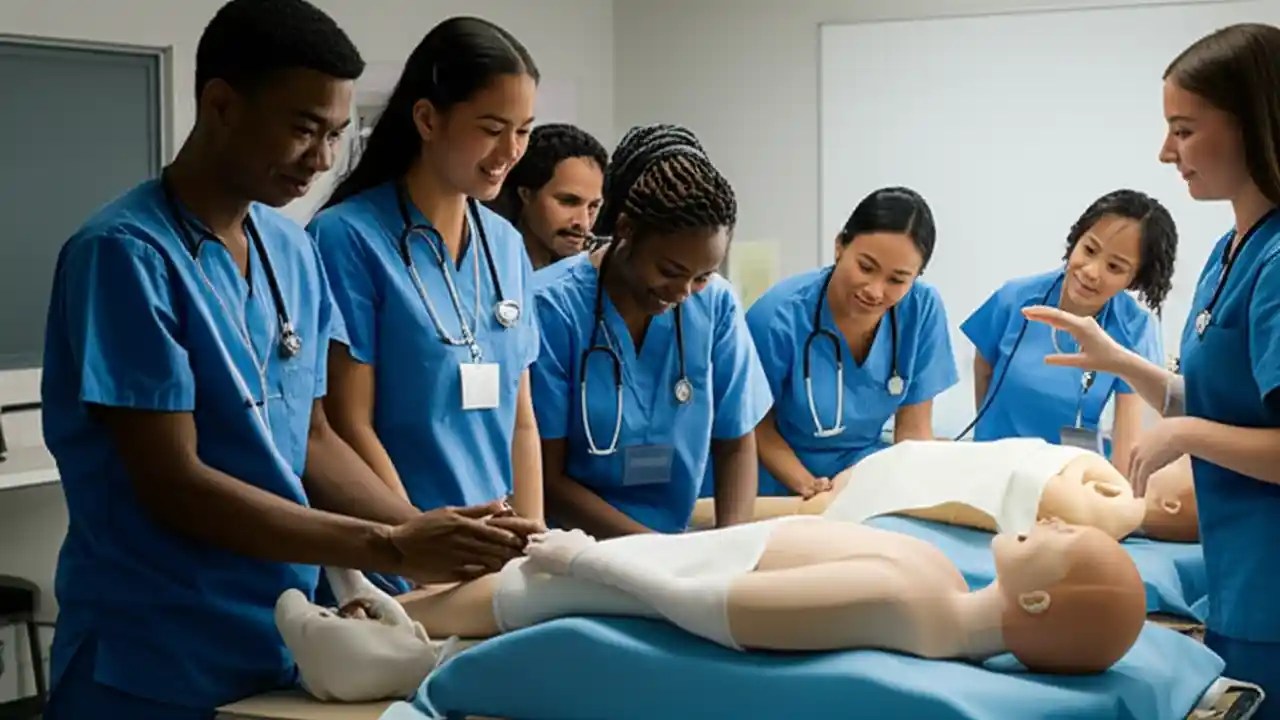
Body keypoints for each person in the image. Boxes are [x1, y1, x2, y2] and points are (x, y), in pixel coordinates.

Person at [36, 2, 538, 718]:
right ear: (220, 105)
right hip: (152, 647)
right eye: (304, 128)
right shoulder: (125, 255)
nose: (323, 159)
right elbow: (174, 482)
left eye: (336, 134)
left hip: (281, 635)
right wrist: (391, 544)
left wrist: (430, 540)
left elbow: (313, 438)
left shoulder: (289, 248)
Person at [1023, 23, 1280, 712]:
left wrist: (1186, 437)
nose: (1167, 152)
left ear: (1255, 124)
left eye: (1185, 130)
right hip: (1241, 583)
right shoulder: (1234, 249)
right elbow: (1229, 401)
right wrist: (1121, 363)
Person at [276, 515, 1149, 702]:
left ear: (1035, 599)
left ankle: (382, 650)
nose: (1052, 521)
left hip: (666, 573)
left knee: (525, 588)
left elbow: (720, 609)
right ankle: (390, 624)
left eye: (1060, 538)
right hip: (692, 551)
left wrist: (594, 562)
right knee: (488, 589)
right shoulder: (942, 591)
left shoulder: (908, 602)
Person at [308, 17, 544, 531]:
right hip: (399, 545)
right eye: (491, 129)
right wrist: (415, 544)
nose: (510, 153)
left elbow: (521, 419)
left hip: (496, 552)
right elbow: (349, 426)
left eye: (523, 132)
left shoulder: (504, 244)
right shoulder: (347, 238)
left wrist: (534, 543)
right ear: (428, 119)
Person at [529, 123, 772, 537]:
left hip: (673, 540)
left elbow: (735, 442)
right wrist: (654, 554)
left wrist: (733, 545)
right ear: (625, 228)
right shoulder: (552, 307)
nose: (683, 292)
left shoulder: (715, 304)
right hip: (571, 545)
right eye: (669, 271)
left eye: (702, 276)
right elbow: (546, 480)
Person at [747, 187, 958, 498]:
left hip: (860, 475)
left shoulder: (921, 309)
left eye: (897, 280)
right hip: (774, 482)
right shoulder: (778, 316)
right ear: (840, 246)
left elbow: (913, 433)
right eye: (866, 267)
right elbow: (754, 426)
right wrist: (808, 486)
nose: (875, 290)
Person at [960, 190, 1175, 472]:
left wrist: (1119, 502)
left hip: (1069, 477)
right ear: (1076, 239)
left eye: (1114, 267)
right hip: (993, 464)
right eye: (1089, 250)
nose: (1091, 271)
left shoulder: (1135, 330)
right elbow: (984, 369)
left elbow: (1128, 436)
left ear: (1135, 279)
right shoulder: (1015, 299)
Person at [689, 437, 1196, 543]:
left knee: (793, 512)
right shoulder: (1109, 484)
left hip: (936, 480)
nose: (1186, 460)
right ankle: (674, 520)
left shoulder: (1116, 512)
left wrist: (1064, 469)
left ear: (1170, 503)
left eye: (1191, 469)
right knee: (798, 507)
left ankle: (671, 523)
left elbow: (1044, 493)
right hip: (937, 466)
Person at [487, 122, 608, 274]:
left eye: (593, 207)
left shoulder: (598, 273)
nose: (583, 223)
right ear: (526, 194)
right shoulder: (482, 264)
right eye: (568, 202)